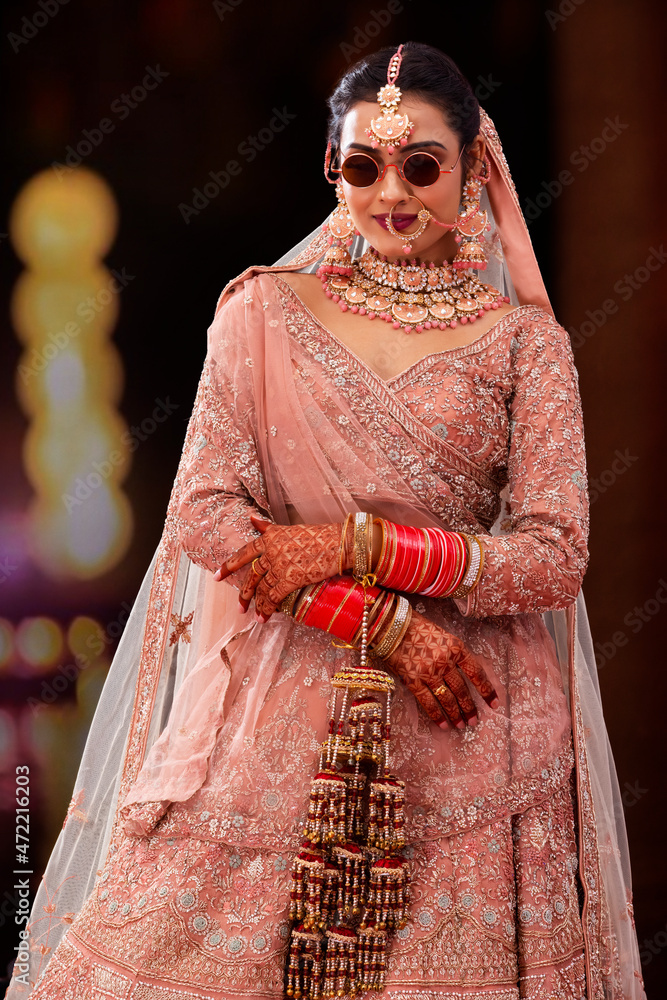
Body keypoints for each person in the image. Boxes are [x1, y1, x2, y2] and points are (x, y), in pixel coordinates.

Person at [8, 42, 645, 1000]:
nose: (392, 191)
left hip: (479, 726)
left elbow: (553, 559)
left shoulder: (529, 346)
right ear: (332, 172)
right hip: (278, 713)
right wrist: (382, 622)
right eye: (363, 166)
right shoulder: (261, 313)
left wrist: (358, 543)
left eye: (421, 165)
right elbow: (207, 515)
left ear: (473, 170)